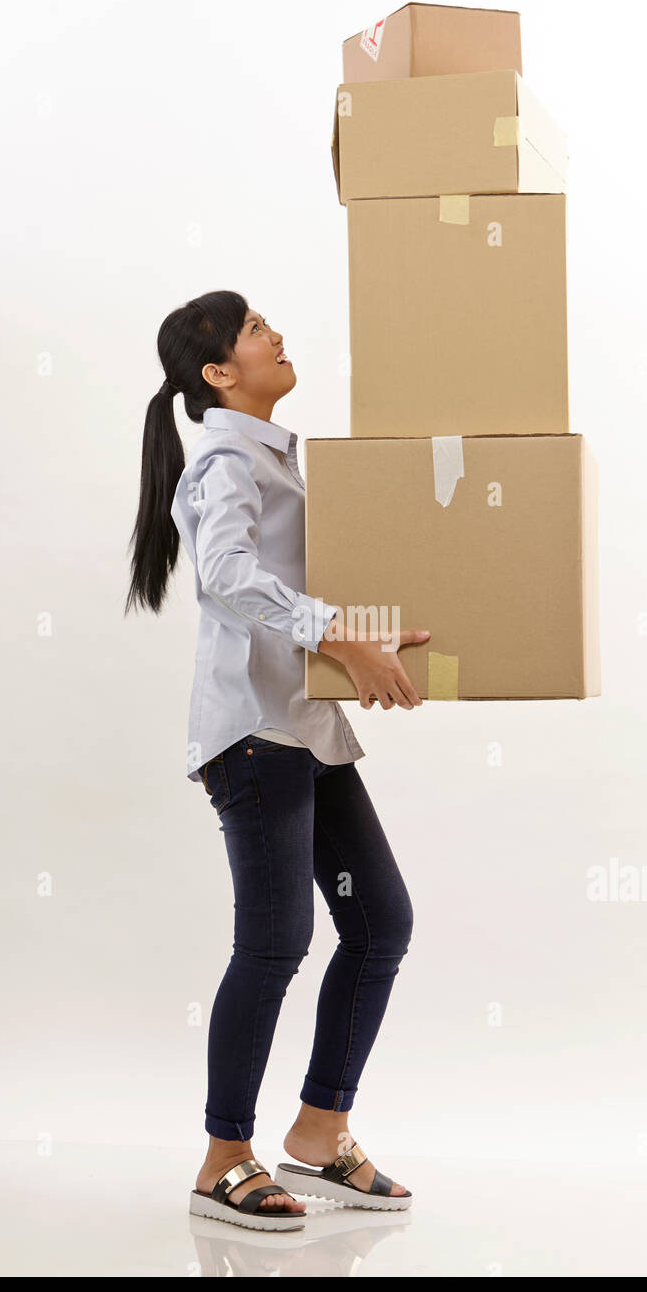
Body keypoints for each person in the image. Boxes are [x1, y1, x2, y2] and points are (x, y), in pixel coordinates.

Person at [126, 289, 430, 1231]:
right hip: (255, 737)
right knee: (274, 941)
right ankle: (224, 1158)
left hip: (305, 731)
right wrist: (342, 637)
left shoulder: (273, 455)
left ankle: (319, 1128)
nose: (276, 336)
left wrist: (368, 641)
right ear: (220, 373)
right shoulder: (221, 458)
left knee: (380, 923)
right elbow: (224, 577)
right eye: (256, 330)